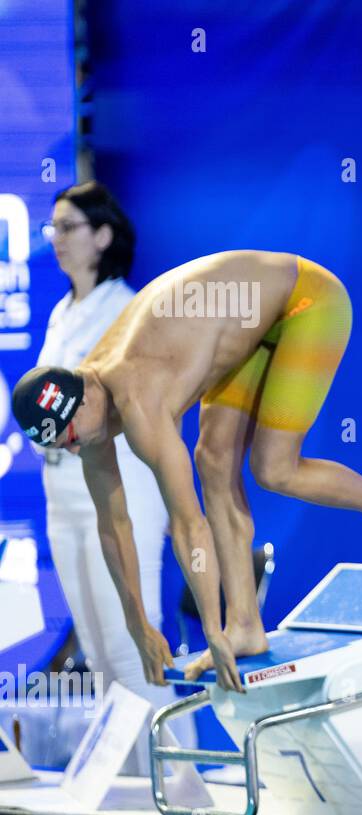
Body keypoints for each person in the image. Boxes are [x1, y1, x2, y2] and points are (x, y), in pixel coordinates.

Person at [10, 251, 362, 692]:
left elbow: (189, 528)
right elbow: (113, 528)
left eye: (71, 437)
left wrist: (209, 631)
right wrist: (137, 623)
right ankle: (246, 626)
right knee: (213, 459)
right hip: (247, 321)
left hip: (304, 302)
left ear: (81, 402)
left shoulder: (138, 399)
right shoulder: (88, 414)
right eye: (61, 445)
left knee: (275, 468)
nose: (74, 448)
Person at [35, 181, 192, 772]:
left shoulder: (127, 311)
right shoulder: (61, 312)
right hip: (62, 492)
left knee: (134, 642)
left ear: (103, 235)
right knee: (99, 652)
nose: (57, 240)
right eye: (52, 229)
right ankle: (132, 788)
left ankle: (178, 784)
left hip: (118, 484)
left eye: (68, 227)